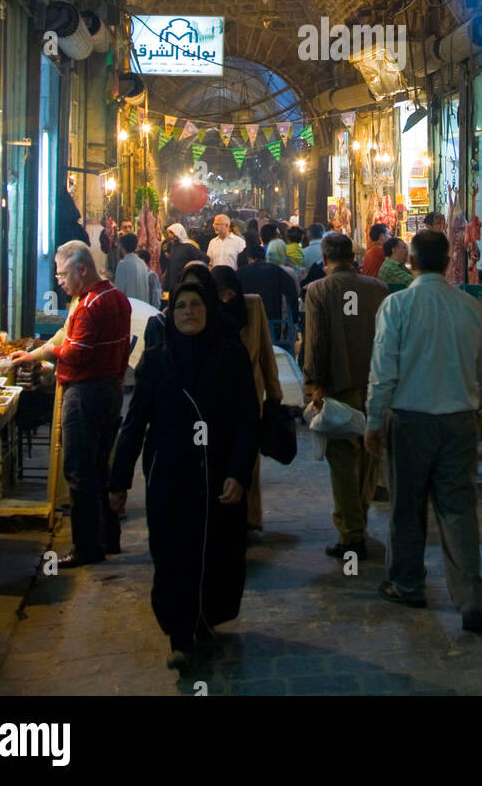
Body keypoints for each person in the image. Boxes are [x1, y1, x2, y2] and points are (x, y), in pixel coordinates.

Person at [109, 277, 260, 670]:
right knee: (173, 554)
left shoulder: (231, 356)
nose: (188, 312)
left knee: (216, 551)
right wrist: (119, 480)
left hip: (217, 474)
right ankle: (179, 633)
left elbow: (247, 420)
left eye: (195, 305)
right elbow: (135, 422)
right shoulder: (157, 360)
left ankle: (204, 617)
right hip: (169, 475)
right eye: (180, 307)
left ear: (209, 309)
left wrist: (239, 473)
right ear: (170, 314)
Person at [364, 229, 482, 633]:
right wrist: (478, 406)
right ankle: (471, 599)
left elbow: (383, 372)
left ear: (412, 263)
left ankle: (408, 584)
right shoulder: (470, 306)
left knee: (407, 507)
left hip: (409, 421)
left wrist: (374, 422)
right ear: (448, 262)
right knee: (458, 510)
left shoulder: (397, 306)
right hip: (459, 422)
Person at [11, 241, 131, 567]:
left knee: (79, 472)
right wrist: (34, 355)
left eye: (63, 274)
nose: (59, 281)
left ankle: (86, 547)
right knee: (98, 467)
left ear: (81, 269)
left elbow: (75, 352)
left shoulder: (92, 304)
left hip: (85, 393)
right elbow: (64, 336)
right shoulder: (114, 297)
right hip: (110, 389)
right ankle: (108, 538)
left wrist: (50, 364)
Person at [304, 231, 387, 559]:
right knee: (369, 458)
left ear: (325, 260)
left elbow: (316, 341)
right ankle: (359, 520)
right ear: (353, 257)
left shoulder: (318, 291)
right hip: (376, 385)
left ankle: (351, 534)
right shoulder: (378, 289)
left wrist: (315, 384)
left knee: (342, 461)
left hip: (338, 386)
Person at [212, 266, 283, 532]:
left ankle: (250, 516)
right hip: (219, 396)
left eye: (230, 294)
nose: (226, 300)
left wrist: (274, 393)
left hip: (252, 393)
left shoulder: (252, 306)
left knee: (249, 457)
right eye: (221, 295)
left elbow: (265, 349)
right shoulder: (208, 313)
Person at [237, 243, 299, 353]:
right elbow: (291, 292)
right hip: (273, 318)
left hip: (248, 318)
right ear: (264, 256)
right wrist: (294, 317)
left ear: (249, 258)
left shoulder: (241, 273)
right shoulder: (276, 270)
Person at [265, 237, 301, 356]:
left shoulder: (264, 270)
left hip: (267, 313)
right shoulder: (289, 271)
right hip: (284, 315)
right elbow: (297, 292)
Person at [163, 222, 205, 293]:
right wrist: (166, 284)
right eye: (169, 233)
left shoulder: (188, 247)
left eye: (171, 233)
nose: (169, 235)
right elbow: (170, 266)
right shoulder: (172, 246)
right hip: (173, 284)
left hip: (184, 283)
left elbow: (204, 258)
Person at [114, 231, 153, 304]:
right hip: (143, 307)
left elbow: (119, 293)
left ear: (122, 246)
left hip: (130, 308)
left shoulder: (123, 264)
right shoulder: (142, 263)